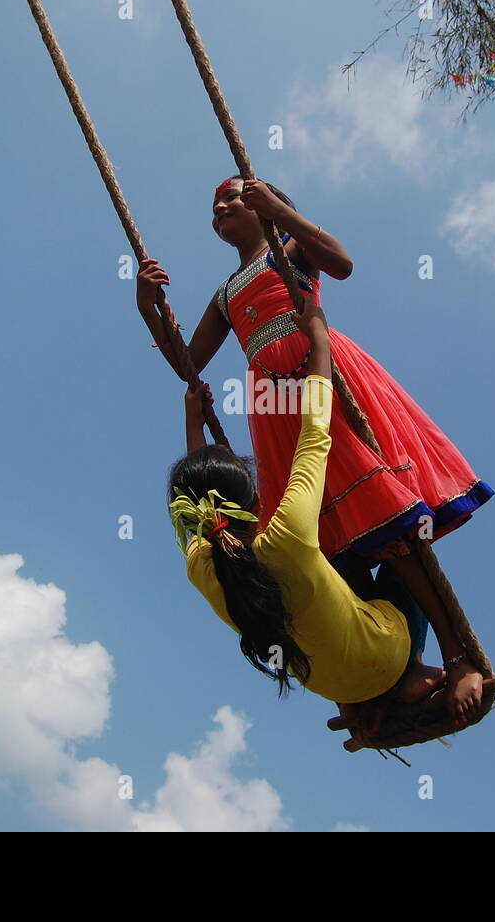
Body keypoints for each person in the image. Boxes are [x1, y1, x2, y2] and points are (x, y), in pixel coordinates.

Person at [141, 175, 494, 724]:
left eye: (235, 196)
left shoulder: (291, 251)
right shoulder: (225, 292)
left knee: (391, 526)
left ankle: (456, 658)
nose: (223, 206)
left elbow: (342, 262)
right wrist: (149, 309)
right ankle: (373, 686)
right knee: (325, 549)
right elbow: (188, 365)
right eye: (216, 205)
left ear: (268, 204)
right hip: (273, 408)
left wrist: (283, 214)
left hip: (322, 375)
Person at [169, 301, 446, 732]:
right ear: (257, 503)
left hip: (331, 683)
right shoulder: (287, 535)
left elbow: (193, 509)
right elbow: (315, 432)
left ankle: (359, 703)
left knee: (329, 571)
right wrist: (319, 340)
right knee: (404, 536)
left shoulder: (200, 564)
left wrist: (194, 424)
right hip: (383, 657)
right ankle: (413, 670)